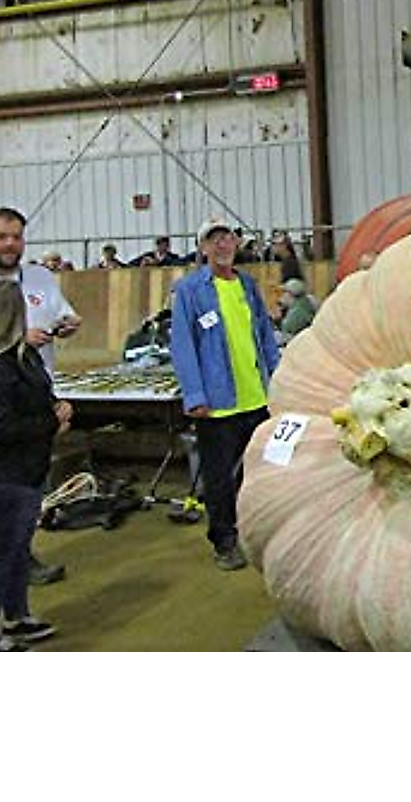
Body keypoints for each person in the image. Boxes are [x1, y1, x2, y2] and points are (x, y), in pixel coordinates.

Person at [169, 217, 280, 570]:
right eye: (213, 239)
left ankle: (254, 531)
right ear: (203, 248)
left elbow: (265, 335)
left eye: (227, 238)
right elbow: (183, 346)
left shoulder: (247, 285)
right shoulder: (190, 290)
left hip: (256, 399)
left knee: (259, 471)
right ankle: (224, 540)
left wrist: (278, 381)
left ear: (236, 244)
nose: (222, 245)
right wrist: (194, 395)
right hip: (217, 405)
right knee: (219, 480)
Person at [0, 206, 81, 587]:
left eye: (17, 237)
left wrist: (66, 324)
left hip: (36, 395)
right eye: (1, 237)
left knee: (30, 488)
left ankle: (19, 559)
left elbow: (62, 312)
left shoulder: (39, 277)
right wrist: (14, 337)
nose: (11, 244)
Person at [0, 281, 73, 650]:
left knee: (18, 549)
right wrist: (51, 422)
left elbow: (38, 396)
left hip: (28, 469)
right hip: (3, 475)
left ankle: (17, 616)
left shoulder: (26, 357)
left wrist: (56, 408)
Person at [277, 278, 318, 343]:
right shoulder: (305, 302)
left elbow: (286, 331)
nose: (282, 296)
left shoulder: (296, 313)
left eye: (284, 292)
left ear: (290, 294)